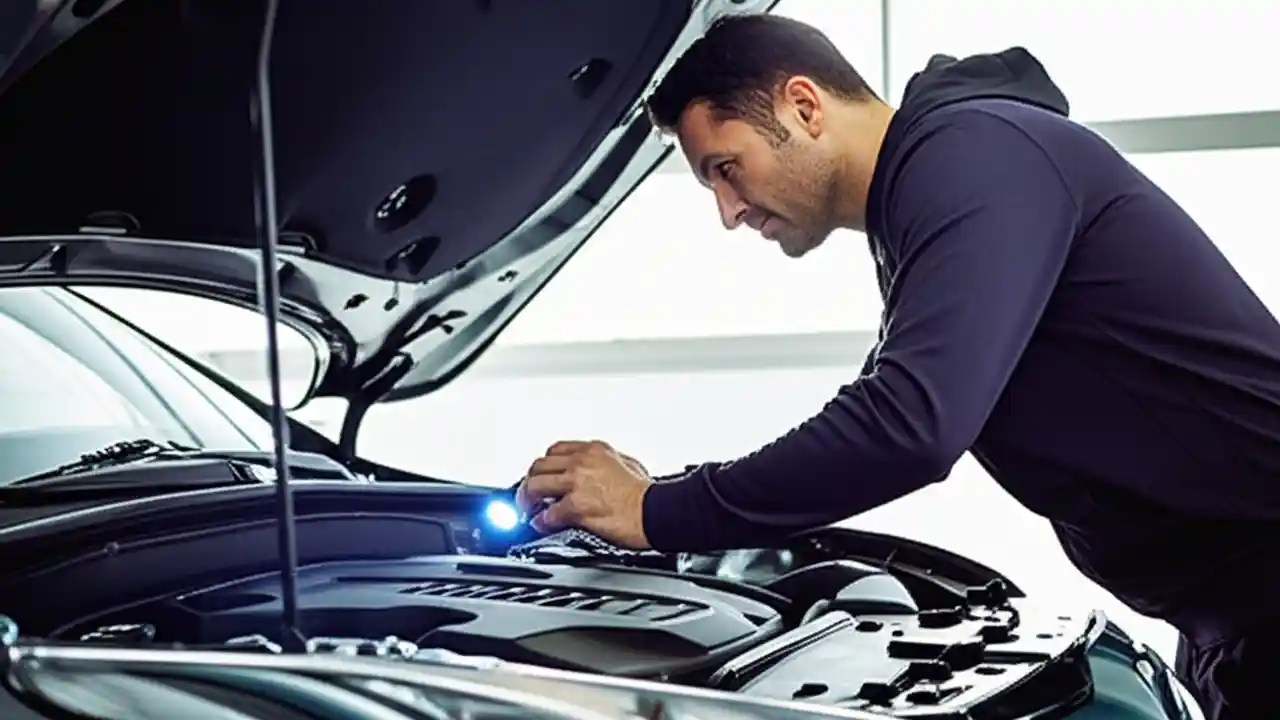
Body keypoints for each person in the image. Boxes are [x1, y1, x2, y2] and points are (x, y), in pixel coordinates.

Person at [514, 14, 1280, 718]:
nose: (728, 210)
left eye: (725, 167)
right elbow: (888, 415)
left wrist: (657, 510)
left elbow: (908, 426)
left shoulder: (975, 154)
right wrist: (661, 497)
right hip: (1232, 620)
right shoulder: (934, 193)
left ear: (804, 107)